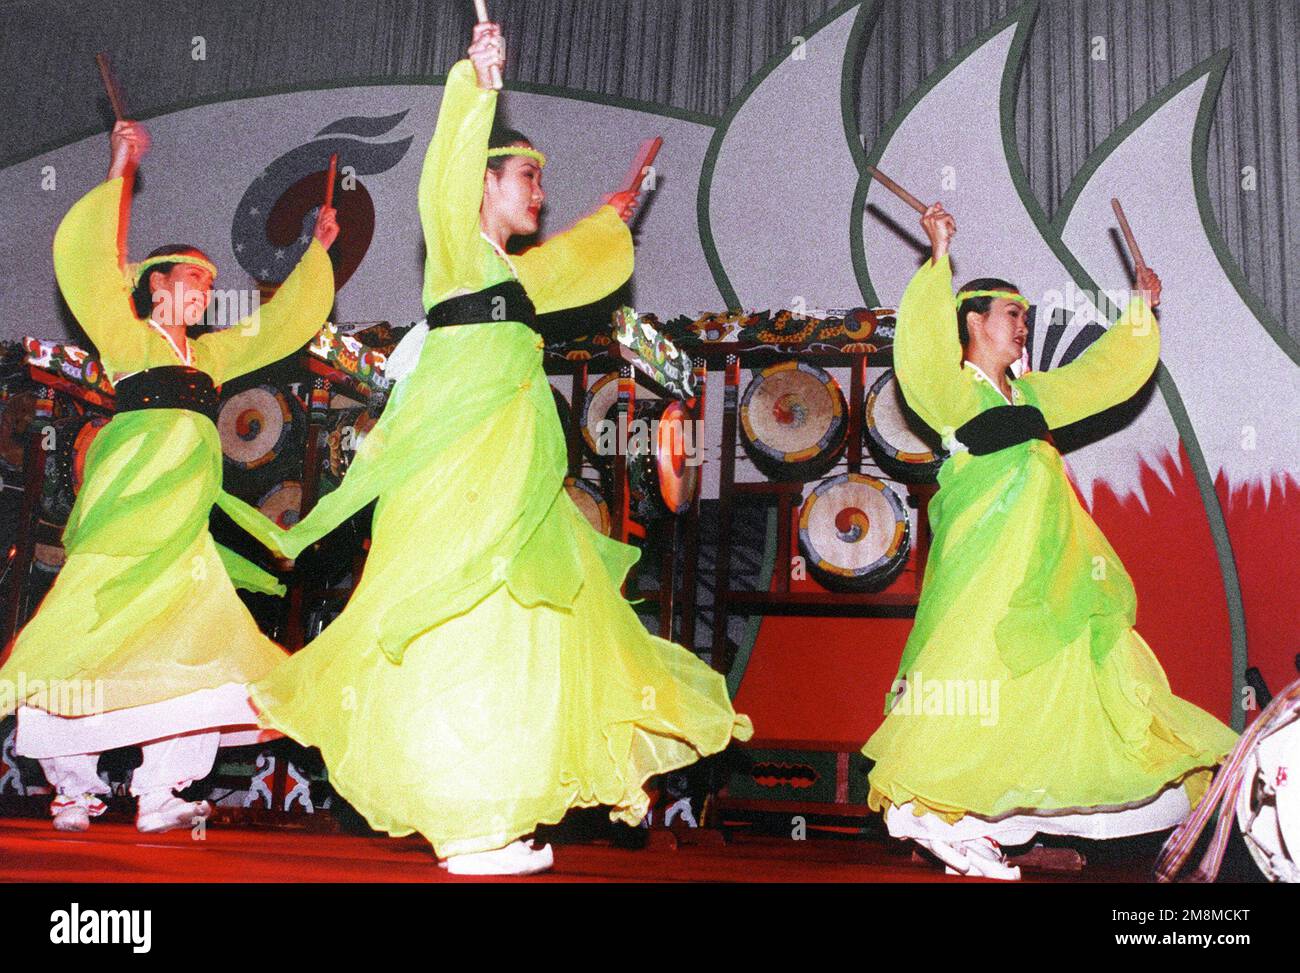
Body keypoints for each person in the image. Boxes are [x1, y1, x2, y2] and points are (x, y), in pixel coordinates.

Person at [250, 21, 751, 876]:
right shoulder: (455, 252)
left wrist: (607, 221)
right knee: (459, 628)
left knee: (518, 631)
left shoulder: (510, 279)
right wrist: (477, 86)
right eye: (525, 177)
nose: (539, 194)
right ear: (481, 184)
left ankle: (491, 805)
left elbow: (566, 267)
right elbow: (441, 177)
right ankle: (462, 821)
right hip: (456, 480)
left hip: (516, 488)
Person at [860, 202, 1237, 879]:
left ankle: (973, 825)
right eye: (1012, 313)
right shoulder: (957, 396)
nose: (1023, 324)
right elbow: (918, 355)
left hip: (1047, 569)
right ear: (974, 321)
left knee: (1047, 688)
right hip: (985, 569)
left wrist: (1140, 310)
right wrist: (938, 256)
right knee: (969, 676)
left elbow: (1101, 376)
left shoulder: (1032, 396)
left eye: (1025, 316)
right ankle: (923, 804)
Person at [0, 117, 339, 833]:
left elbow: (277, 327)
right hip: (123, 523)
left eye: (211, 284)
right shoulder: (126, 336)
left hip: (183, 535)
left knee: (198, 645)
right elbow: (98, 259)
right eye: (194, 278)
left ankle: (162, 789)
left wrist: (318, 255)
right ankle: (73, 784)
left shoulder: (210, 359)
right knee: (81, 636)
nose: (205, 291)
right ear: (157, 287)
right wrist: (120, 164)